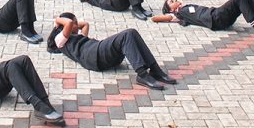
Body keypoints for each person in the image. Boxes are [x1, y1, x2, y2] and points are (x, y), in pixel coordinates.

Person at [47, 12, 176, 90]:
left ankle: (155, 69)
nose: (76, 25)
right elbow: (69, 23)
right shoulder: (60, 40)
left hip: (97, 54)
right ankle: (142, 74)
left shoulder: (75, 38)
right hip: (94, 56)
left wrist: (74, 24)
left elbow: (85, 24)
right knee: (128, 34)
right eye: (75, 22)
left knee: (132, 34)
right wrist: (57, 20)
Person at [152, 0, 254, 41]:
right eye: (172, 2)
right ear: (171, 9)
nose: (175, 0)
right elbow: (155, 19)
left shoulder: (185, 8)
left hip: (218, 15)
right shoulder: (178, 14)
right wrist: (169, 14)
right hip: (215, 18)